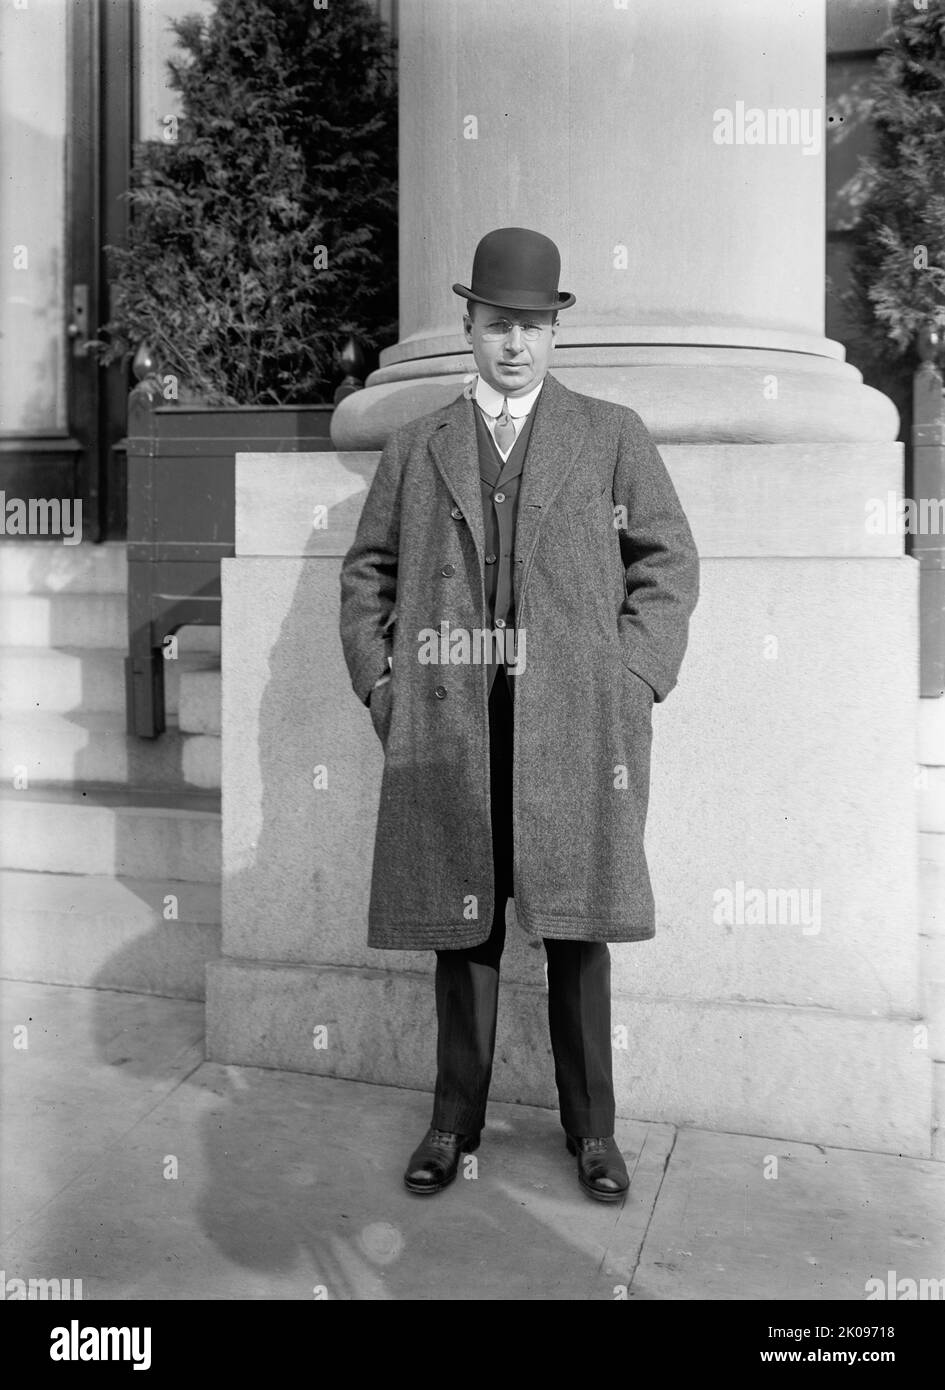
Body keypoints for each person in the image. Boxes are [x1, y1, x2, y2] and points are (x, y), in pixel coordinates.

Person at [339, 227, 699, 1202]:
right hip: (454, 722)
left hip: (576, 725)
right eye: (498, 324)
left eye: (532, 327)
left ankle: (594, 1134)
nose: (514, 345)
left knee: (579, 929)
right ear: (467, 326)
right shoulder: (420, 447)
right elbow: (367, 571)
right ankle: (452, 1124)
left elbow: (667, 561)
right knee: (466, 929)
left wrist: (632, 679)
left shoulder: (611, 434)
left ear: (554, 334)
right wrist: (383, 687)